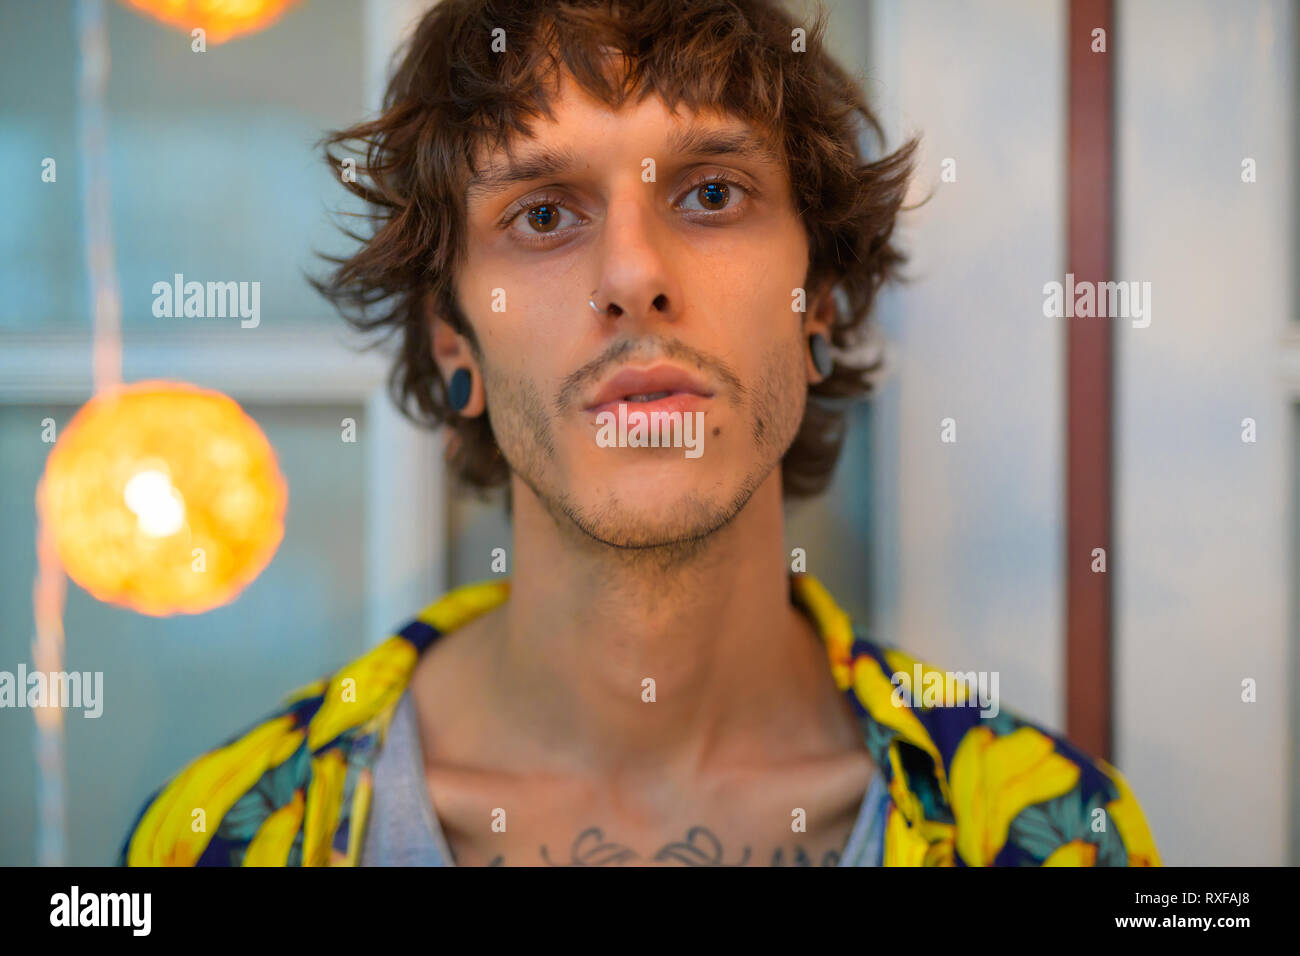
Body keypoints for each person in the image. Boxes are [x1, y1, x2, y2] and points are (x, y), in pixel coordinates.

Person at [119, 0, 1160, 867]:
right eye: (542, 214)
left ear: (819, 305)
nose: (631, 275)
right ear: (454, 342)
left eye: (711, 192)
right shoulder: (220, 837)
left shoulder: (1050, 833)